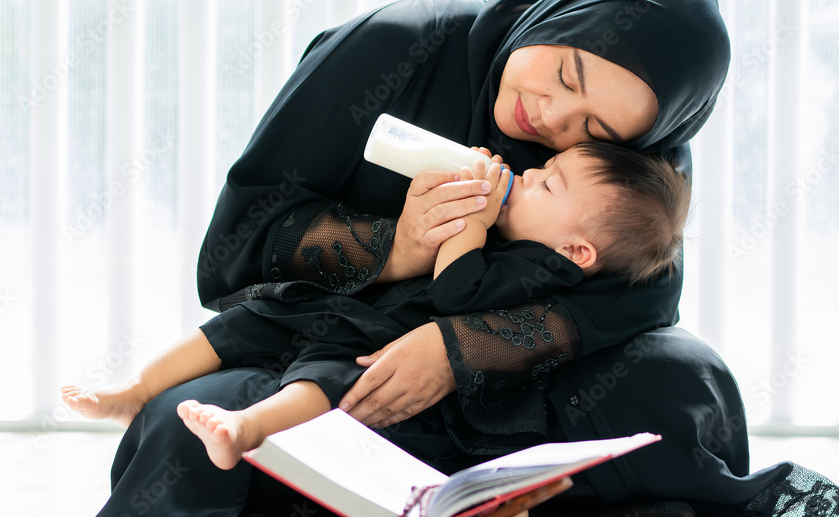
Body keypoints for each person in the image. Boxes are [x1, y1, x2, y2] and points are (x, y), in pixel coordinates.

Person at [96, 0, 837, 517]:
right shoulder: (398, 45)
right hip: (334, 346)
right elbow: (240, 243)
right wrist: (397, 248)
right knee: (198, 418)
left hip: (511, 374)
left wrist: (460, 349)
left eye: (594, 131)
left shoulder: (644, 154)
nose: (551, 118)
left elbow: (642, 293)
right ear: (564, 14)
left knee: (681, 373)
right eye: (566, 75)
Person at [64, 144, 690, 470]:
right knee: (251, 318)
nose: (527, 175)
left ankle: (246, 429)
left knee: (326, 379)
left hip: (378, 344)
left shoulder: (542, 269)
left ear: (577, 251)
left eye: (547, 184)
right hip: (360, 312)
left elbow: (457, 293)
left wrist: (471, 224)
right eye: (544, 167)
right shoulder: (532, 241)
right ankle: (136, 391)